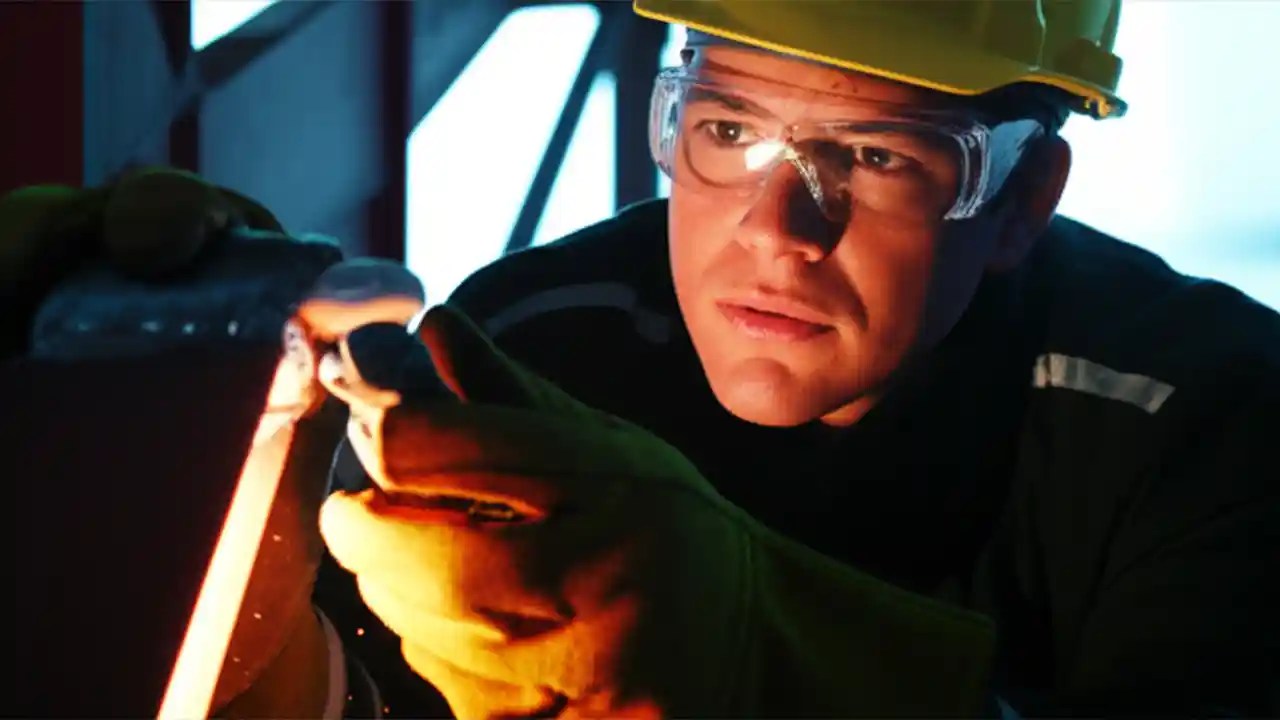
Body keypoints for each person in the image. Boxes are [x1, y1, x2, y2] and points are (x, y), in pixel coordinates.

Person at [4, 1, 1277, 717]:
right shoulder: (533, 339)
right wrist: (278, 650)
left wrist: (770, 670)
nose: (776, 230)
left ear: (1017, 201)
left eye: (878, 158)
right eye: (725, 128)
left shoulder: (1205, 412)